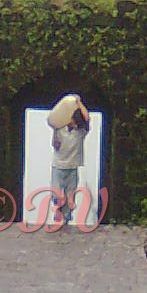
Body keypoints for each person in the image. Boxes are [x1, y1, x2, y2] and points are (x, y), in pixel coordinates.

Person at [49, 98, 89, 229]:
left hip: (72, 167)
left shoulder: (81, 132)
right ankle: (58, 213)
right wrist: (54, 133)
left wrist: (79, 103)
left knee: (69, 196)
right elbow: (55, 144)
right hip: (58, 166)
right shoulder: (60, 129)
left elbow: (87, 118)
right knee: (56, 194)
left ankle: (65, 219)